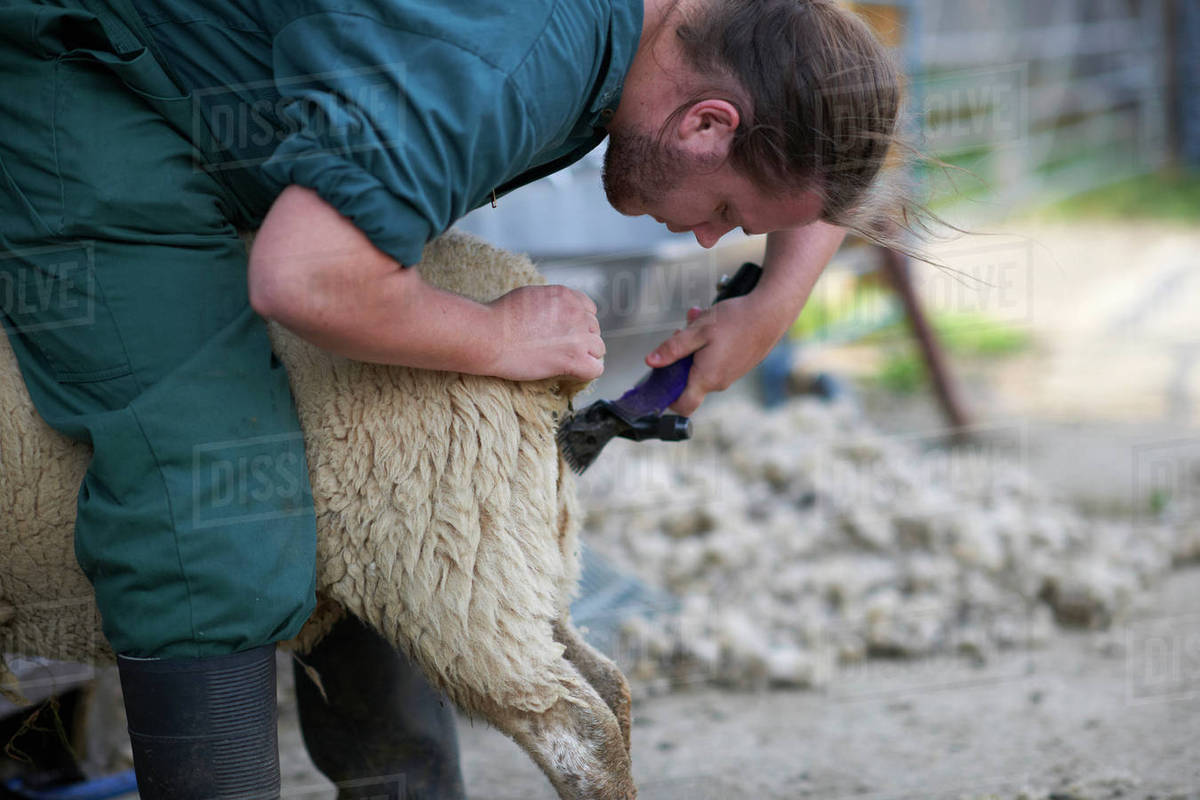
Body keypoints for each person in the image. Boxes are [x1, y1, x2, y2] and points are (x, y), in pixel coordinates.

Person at [0, 0, 901, 796]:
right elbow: (304, 278)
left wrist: (769, 305)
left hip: (249, 83)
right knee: (205, 486)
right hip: (89, 71)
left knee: (379, 446)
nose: (709, 238)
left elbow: (821, 74)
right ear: (705, 124)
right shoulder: (496, 64)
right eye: (729, 214)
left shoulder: (714, 26)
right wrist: (500, 336)